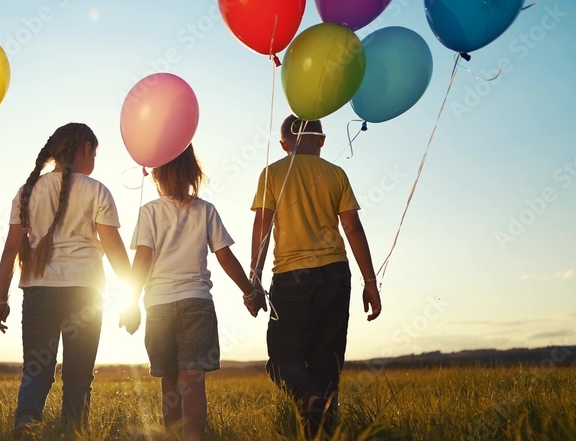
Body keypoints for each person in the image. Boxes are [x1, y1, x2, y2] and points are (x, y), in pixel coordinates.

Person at [0, 122, 134, 435]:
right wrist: (132, 299)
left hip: (38, 293)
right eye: (94, 154)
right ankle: (74, 433)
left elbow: (9, 252)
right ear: (86, 149)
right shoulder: (97, 190)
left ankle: (26, 426)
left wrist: (1, 299)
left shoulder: (28, 191)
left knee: (36, 371)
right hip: (85, 293)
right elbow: (114, 251)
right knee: (79, 376)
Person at [249, 115, 382, 438]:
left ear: (284, 145)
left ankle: (308, 400)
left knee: (282, 359)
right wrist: (370, 282)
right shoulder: (336, 174)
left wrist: (254, 279)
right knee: (327, 363)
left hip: (292, 277)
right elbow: (352, 227)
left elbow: (263, 227)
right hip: (336, 274)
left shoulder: (273, 173)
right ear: (321, 140)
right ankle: (322, 426)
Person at [122, 144, 266, 440]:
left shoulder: (149, 212)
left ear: (157, 175)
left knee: (170, 382)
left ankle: (173, 436)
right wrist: (250, 291)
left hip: (159, 307)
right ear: (192, 173)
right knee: (193, 379)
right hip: (197, 304)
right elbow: (226, 257)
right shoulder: (206, 210)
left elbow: (142, 260)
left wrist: (131, 301)